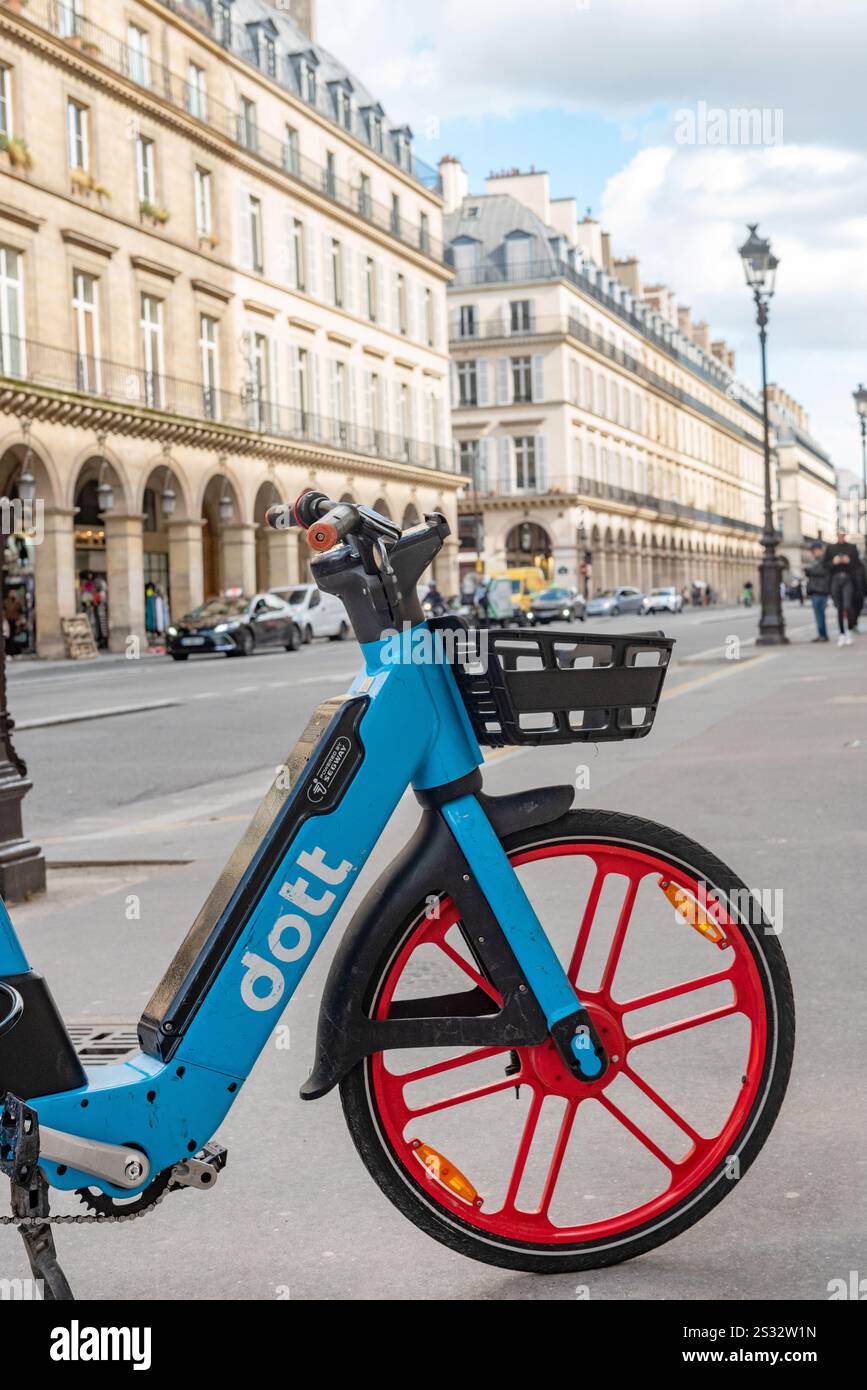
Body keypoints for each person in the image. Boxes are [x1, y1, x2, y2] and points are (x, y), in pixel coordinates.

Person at [824, 530, 860, 646]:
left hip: (848, 579)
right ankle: (842, 634)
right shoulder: (830, 548)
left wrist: (848, 561)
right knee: (839, 608)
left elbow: (858, 564)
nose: (841, 535)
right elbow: (825, 565)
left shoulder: (852, 547)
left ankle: (849, 631)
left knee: (847, 606)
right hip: (835, 579)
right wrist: (833, 562)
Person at [804, 541, 830, 642]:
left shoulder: (823, 560)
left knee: (820, 614)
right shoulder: (816, 561)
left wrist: (809, 570)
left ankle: (823, 635)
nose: (813, 553)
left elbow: (821, 571)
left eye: (814, 551)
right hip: (816, 590)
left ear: (819, 550)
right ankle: (821, 634)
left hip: (820, 590)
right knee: (819, 614)